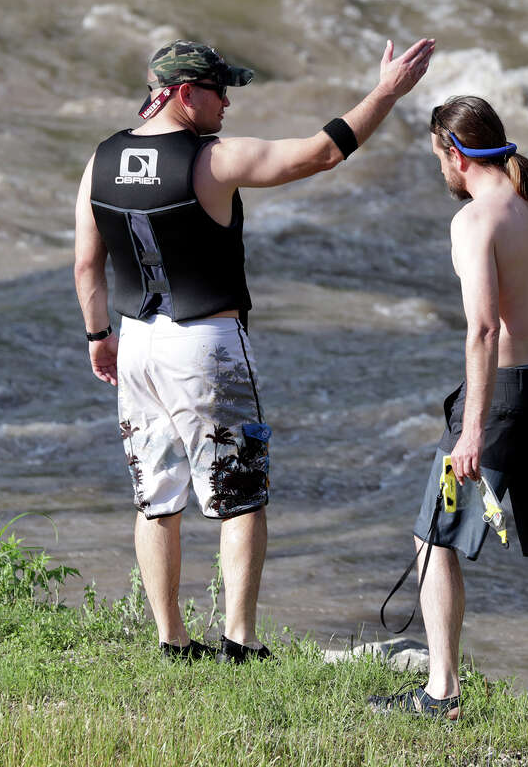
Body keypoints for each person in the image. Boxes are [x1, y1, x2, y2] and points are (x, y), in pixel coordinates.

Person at [73, 37, 435, 663]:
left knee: (157, 495)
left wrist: (97, 335)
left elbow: (86, 262)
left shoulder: (101, 159)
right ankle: (239, 640)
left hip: (135, 342)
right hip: (204, 347)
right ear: (185, 95)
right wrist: (386, 92)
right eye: (220, 92)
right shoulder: (212, 161)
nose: (228, 105)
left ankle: (172, 641)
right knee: (241, 495)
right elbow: (321, 154)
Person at [368, 96, 528, 721]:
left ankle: (441, 692)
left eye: (438, 159)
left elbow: (482, 331)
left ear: (455, 153)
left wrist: (471, 430)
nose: (441, 173)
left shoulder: (476, 221)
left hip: (498, 403)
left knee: (434, 539)